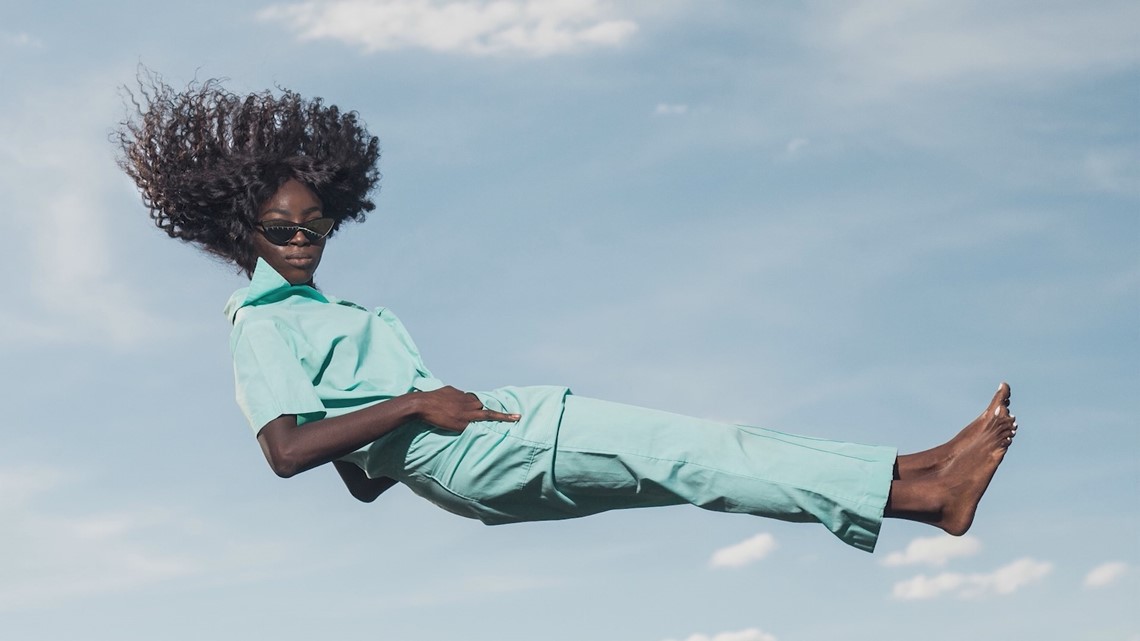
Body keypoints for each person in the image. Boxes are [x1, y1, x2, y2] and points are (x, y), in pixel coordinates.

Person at [116, 77, 1017, 553]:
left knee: (704, 450)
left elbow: (353, 472)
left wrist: (388, 450)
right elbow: (284, 450)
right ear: (240, 227)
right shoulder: (262, 320)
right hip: (479, 448)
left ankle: (921, 472)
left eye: (317, 224)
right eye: (281, 228)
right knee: (695, 453)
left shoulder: (322, 310)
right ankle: (928, 492)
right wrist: (416, 408)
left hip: (483, 442)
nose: (302, 240)